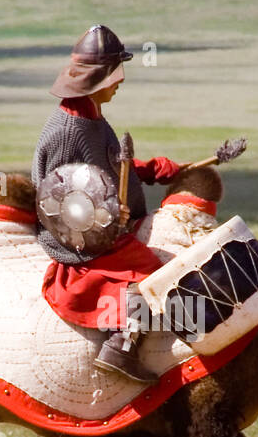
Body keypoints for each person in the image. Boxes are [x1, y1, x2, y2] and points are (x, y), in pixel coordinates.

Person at [33, 25, 184, 383]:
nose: (121, 82)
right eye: (116, 74)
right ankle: (121, 344)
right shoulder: (68, 130)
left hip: (107, 223)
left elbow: (96, 172)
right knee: (154, 274)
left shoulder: (89, 115)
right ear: (98, 77)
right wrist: (108, 217)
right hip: (83, 240)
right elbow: (58, 200)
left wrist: (142, 170)